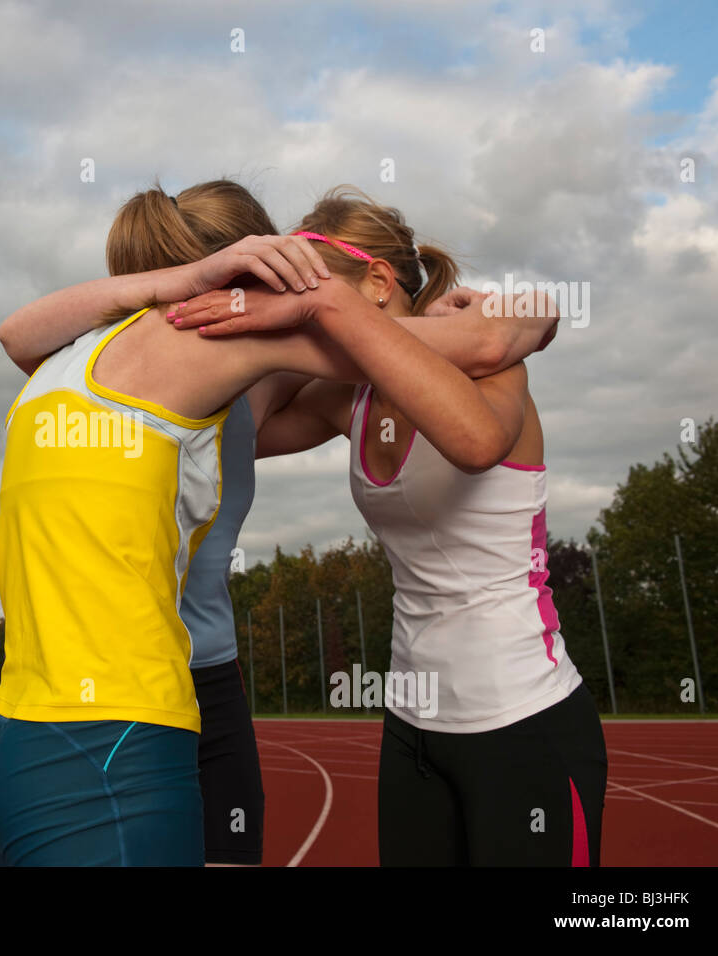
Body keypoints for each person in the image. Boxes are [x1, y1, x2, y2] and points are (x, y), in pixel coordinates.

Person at [0, 180, 558, 866]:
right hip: (119, 718)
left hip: (54, 717)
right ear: (250, 271)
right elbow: (477, 347)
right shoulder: (219, 344)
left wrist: (182, 282)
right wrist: (535, 309)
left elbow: (15, 331)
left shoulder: (67, 364)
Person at [173, 186, 608, 866]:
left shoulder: (494, 363)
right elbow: (239, 426)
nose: (299, 309)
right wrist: (264, 320)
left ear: (376, 282)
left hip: (522, 714)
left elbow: (474, 440)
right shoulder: (346, 398)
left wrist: (320, 317)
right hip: (411, 723)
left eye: (311, 290)